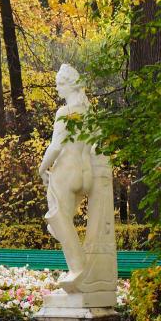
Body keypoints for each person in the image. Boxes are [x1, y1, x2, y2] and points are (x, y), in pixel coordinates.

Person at [38, 64, 116, 292]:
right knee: (60, 222)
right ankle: (80, 269)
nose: (56, 89)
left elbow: (55, 146)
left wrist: (42, 167)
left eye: (58, 85)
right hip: (84, 174)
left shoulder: (65, 113)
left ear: (66, 85)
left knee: (57, 218)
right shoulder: (89, 113)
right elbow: (96, 144)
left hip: (65, 170)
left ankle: (78, 268)